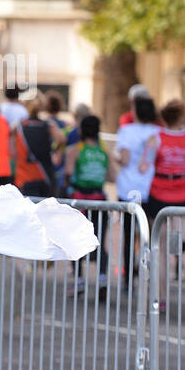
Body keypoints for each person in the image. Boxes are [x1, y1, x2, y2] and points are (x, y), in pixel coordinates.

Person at [64, 113, 113, 297]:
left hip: (80, 202)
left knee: (76, 241)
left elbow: (68, 172)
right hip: (100, 201)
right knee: (100, 242)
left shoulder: (75, 150)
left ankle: (79, 281)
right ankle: (102, 280)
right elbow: (112, 177)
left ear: (81, 130)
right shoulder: (103, 152)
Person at [114, 95, 158, 279]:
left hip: (127, 188)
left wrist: (115, 156)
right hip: (150, 187)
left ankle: (128, 274)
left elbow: (123, 159)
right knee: (151, 232)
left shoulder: (127, 130)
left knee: (128, 234)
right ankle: (147, 269)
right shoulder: (157, 132)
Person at [141, 98, 185, 228]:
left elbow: (143, 167)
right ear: (182, 117)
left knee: (160, 237)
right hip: (182, 192)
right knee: (180, 237)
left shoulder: (154, 139)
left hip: (159, 192)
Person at [12, 97, 60, 198]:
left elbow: (12, 152)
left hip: (24, 176)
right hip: (45, 175)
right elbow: (61, 139)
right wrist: (55, 152)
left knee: (28, 211)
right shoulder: (48, 125)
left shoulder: (18, 126)